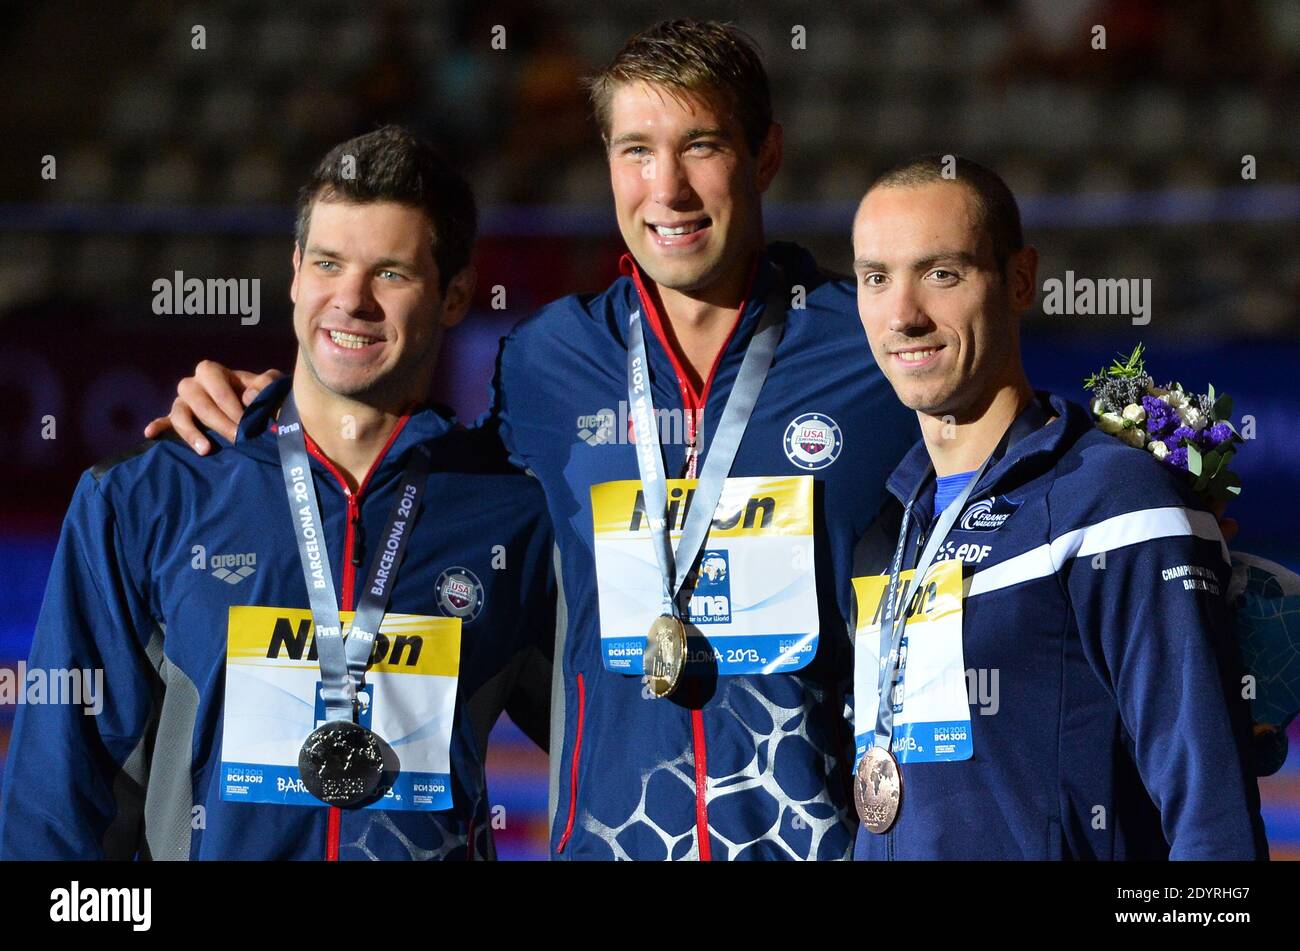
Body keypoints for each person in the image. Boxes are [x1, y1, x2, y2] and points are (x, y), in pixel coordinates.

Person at [144, 19, 920, 860]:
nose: (667, 189)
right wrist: (275, 413)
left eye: (701, 146)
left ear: (765, 156)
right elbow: (425, 489)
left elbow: (1007, 461)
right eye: (634, 150)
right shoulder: (551, 361)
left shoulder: (872, 344)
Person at [0, 126, 555, 860]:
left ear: (454, 295)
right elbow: (55, 810)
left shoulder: (512, 512)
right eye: (328, 263)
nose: (350, 299)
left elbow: (624, 742)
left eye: (390, 273)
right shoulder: (146, 499)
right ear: (294, 272)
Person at [846, 154, 1268, 859]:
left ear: (1018, 280)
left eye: (941, 273)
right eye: (875, 278)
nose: (904, 314)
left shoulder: (1113, 502)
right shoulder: (893, 527)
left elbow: (1212, 812)